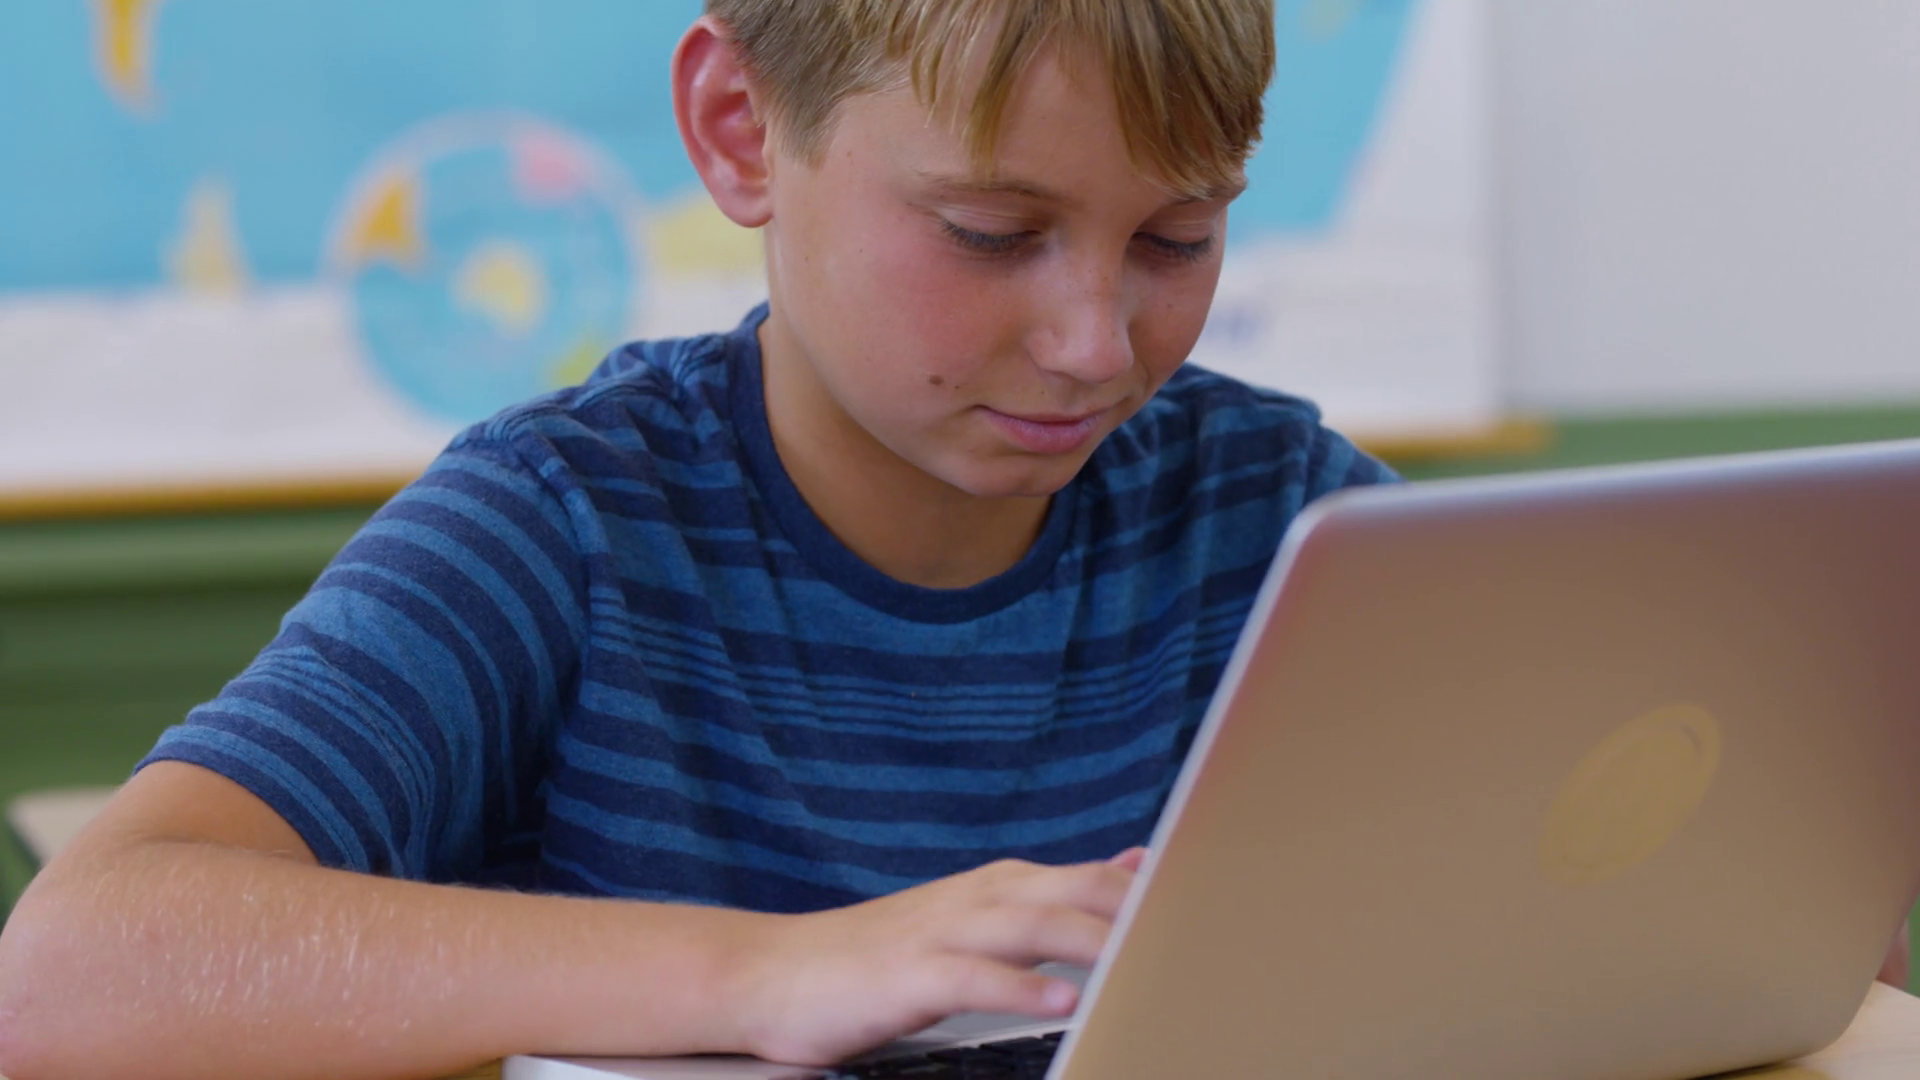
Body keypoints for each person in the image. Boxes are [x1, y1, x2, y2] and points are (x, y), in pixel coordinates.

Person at [0, 2, 1888, 1077]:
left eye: (1176, 239)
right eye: (992, 235)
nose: (1097, 342)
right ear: (742, 130)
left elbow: (1639, 888)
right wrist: (773, 973)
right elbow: (74, 975)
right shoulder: (569, 522)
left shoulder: (1270, 514)